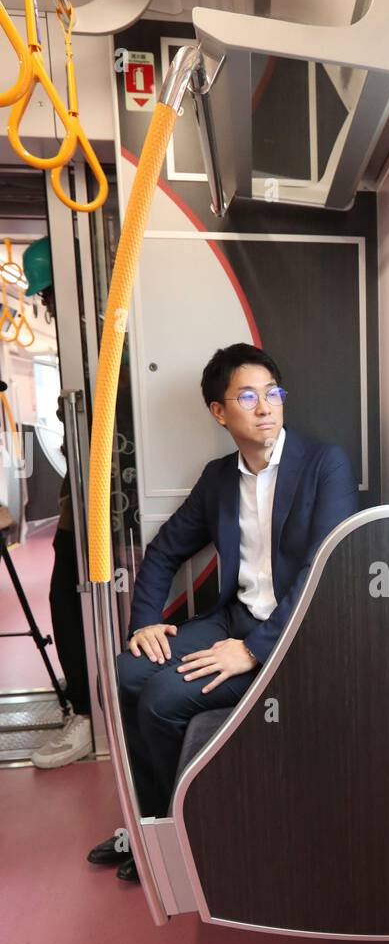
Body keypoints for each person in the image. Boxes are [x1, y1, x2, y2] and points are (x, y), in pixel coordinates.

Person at [87, 342, 358, 883]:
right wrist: (144, 621)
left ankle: (178, 833)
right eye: (248, 396)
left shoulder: (325, 464)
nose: (266, 407)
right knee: (124, 673)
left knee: (162, 700)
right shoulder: (218, 479)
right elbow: (164, 551)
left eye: (272, 393)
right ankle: (149, 828)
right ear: (220, 412)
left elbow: (324, 571)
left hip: (292, 639)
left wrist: (255, 650)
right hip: (232, 618)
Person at [22, 238, 95, 769]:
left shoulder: (99, 340)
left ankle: (89, 717)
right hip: (81, 498)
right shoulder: (78, 342)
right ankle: (86, 694)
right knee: (65, 598)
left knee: (68, 602)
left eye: (47, 293)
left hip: (101, 505)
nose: (45, 305)